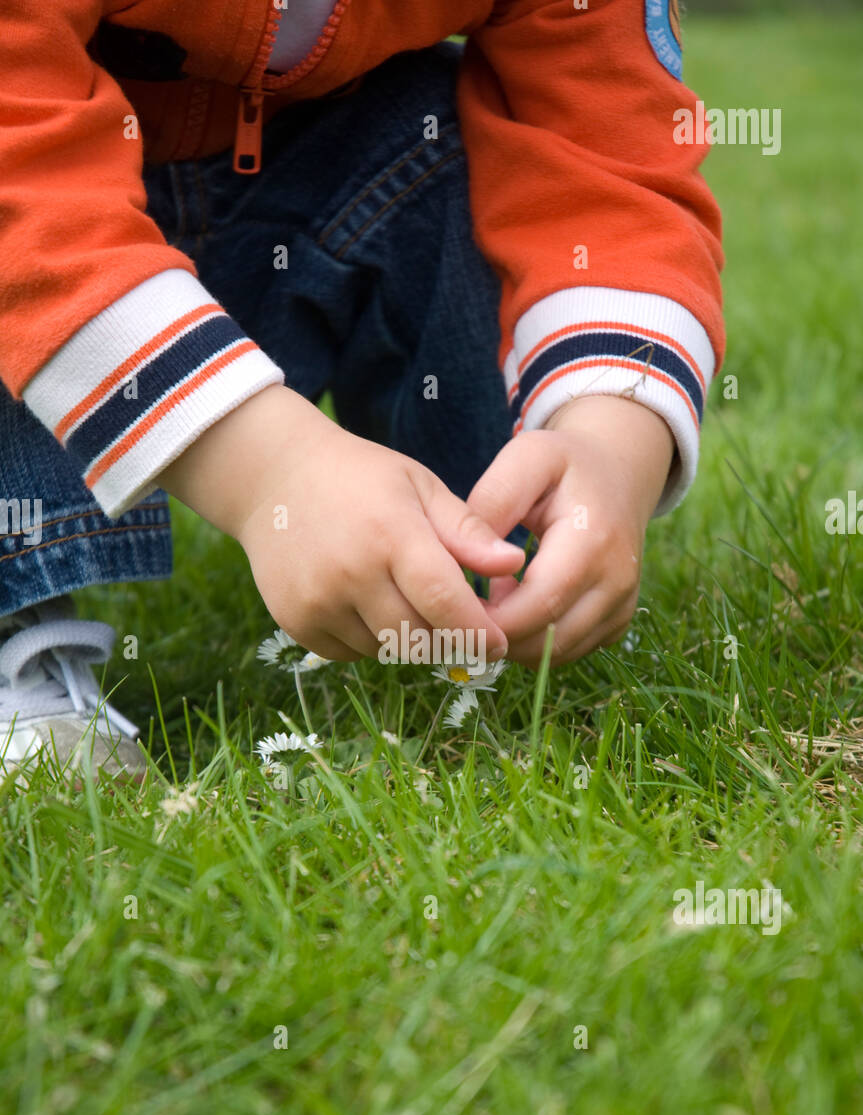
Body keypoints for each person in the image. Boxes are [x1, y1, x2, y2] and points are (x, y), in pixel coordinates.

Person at [0, 1, 722, 776]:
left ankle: (460, 547)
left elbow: (606, 152)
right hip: (40, 205)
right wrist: (269, 470)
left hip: (288, 178)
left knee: (432, 122)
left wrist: (610, 437)